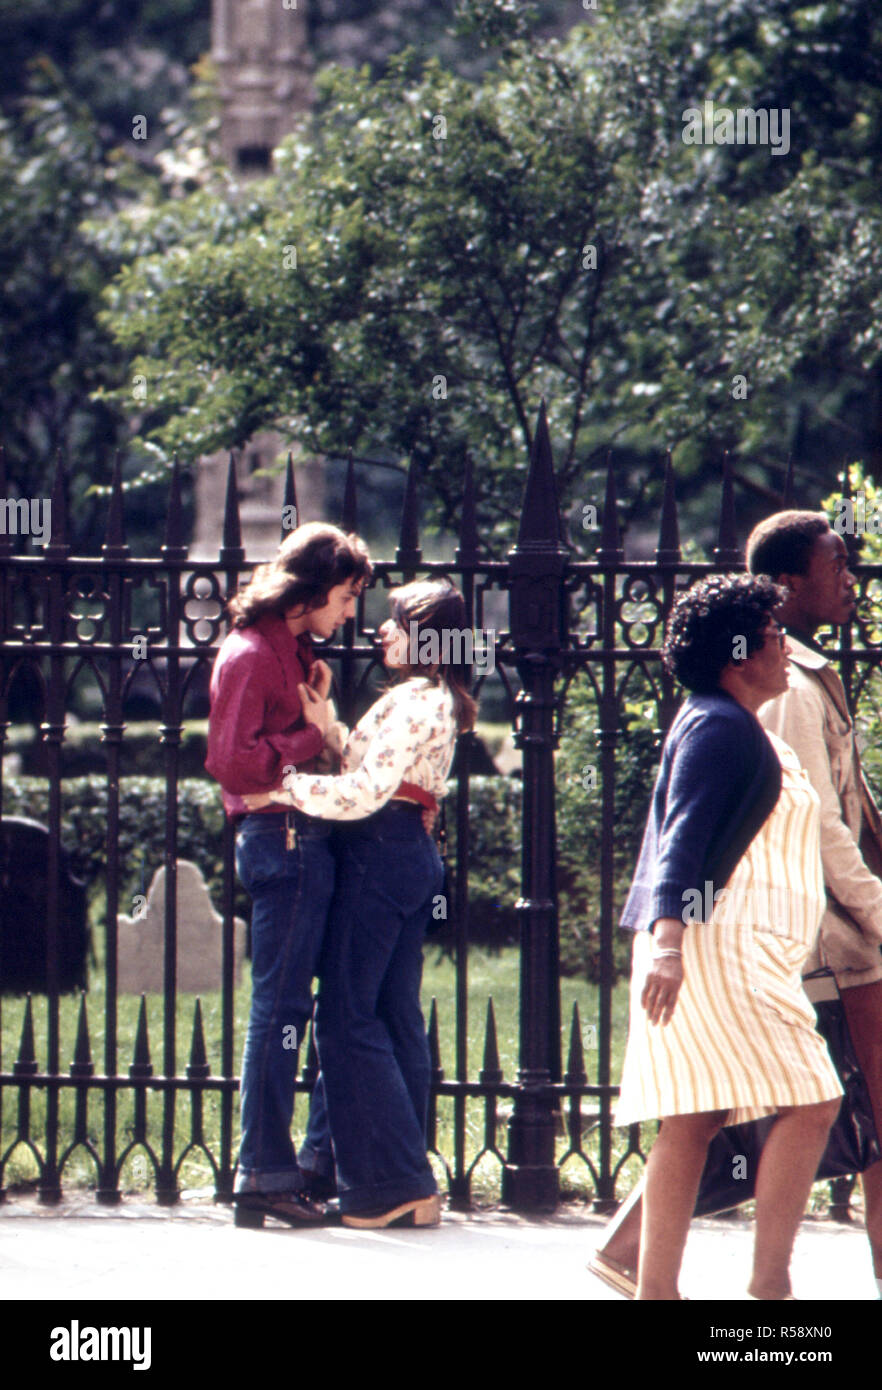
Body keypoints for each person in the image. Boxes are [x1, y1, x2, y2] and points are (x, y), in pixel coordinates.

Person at [592, 514, 882, 1300]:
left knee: (696, 1113)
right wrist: (667, 943)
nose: (783, 644)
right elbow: (681, 845)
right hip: (722, 948)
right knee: (816, 1098)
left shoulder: (731, 723)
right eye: (769, 635)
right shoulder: (721, 729)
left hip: (726, 945)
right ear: (737, 654)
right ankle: (770, 1290)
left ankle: (658, 1292)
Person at [244, 577, 477, 1228]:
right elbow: (386, 776)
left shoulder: (415, 702)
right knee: (392, 1014)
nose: (380, 629)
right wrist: (328, 727)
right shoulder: (433, 700)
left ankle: (391, 1186)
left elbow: (367, 793)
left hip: (378, 852)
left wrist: (285, 792)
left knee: (346, 1019)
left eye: (396, 622)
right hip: (405, 854)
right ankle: (398, 1178)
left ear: (427, 637)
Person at [205, 521, 372, 1228]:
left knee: (297, 1008)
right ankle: (263, 1176)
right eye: (346, 595)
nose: (352, 611)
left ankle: (291, 1171)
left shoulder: (290, 652)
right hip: (282, 837)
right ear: (309, 589)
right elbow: (233, 763)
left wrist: (316, 699)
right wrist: (312, 731)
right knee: (279, 1010)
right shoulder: (248, 654)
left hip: (301, 835)